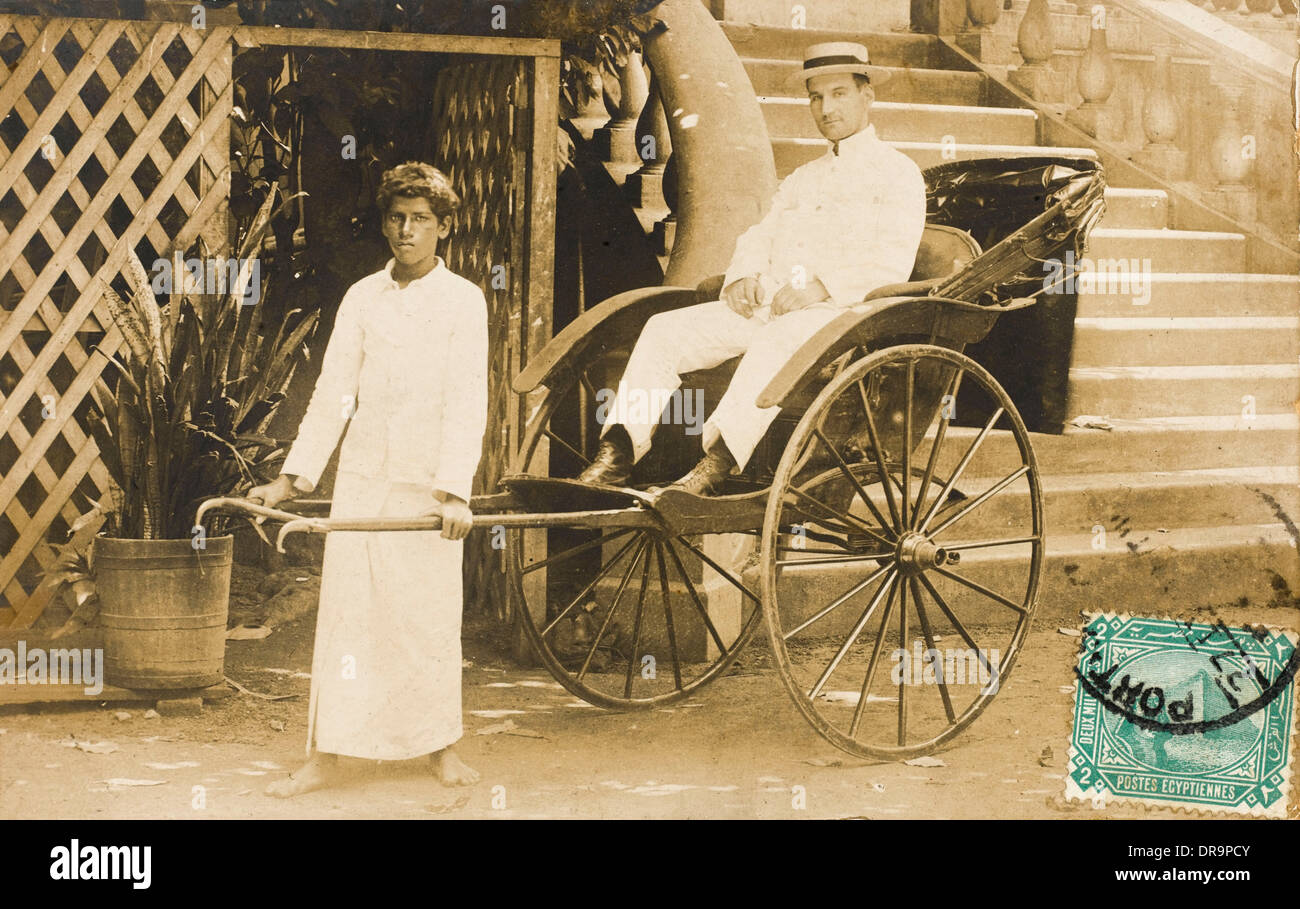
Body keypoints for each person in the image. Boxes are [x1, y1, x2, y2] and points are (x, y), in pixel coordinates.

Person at [579, 42, 928, 495]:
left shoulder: (898, 174)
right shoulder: (805, 177)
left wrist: (821, 287)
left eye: (839, 94)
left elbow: (892, 261)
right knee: (665, 329)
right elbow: (760, 235)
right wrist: (743, 275)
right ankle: (619, 450)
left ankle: (717, 463)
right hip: (771, 306)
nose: (826, 108)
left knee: (777, 341)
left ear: (868, 96)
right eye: (816, 98)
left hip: (837, 319)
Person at [246, 162, 489, 796]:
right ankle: (328, 754)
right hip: (363, 477)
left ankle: (440, 749)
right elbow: (333, 395)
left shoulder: (464, 300)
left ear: (443, 228)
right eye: (397, 218)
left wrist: (456, 489)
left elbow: (468, 401)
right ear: (384, 223)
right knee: (349, 619)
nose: (406, 231)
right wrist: (290, 482)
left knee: (426, 619)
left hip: (427, 486)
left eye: (421, 221)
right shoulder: (362, 297)